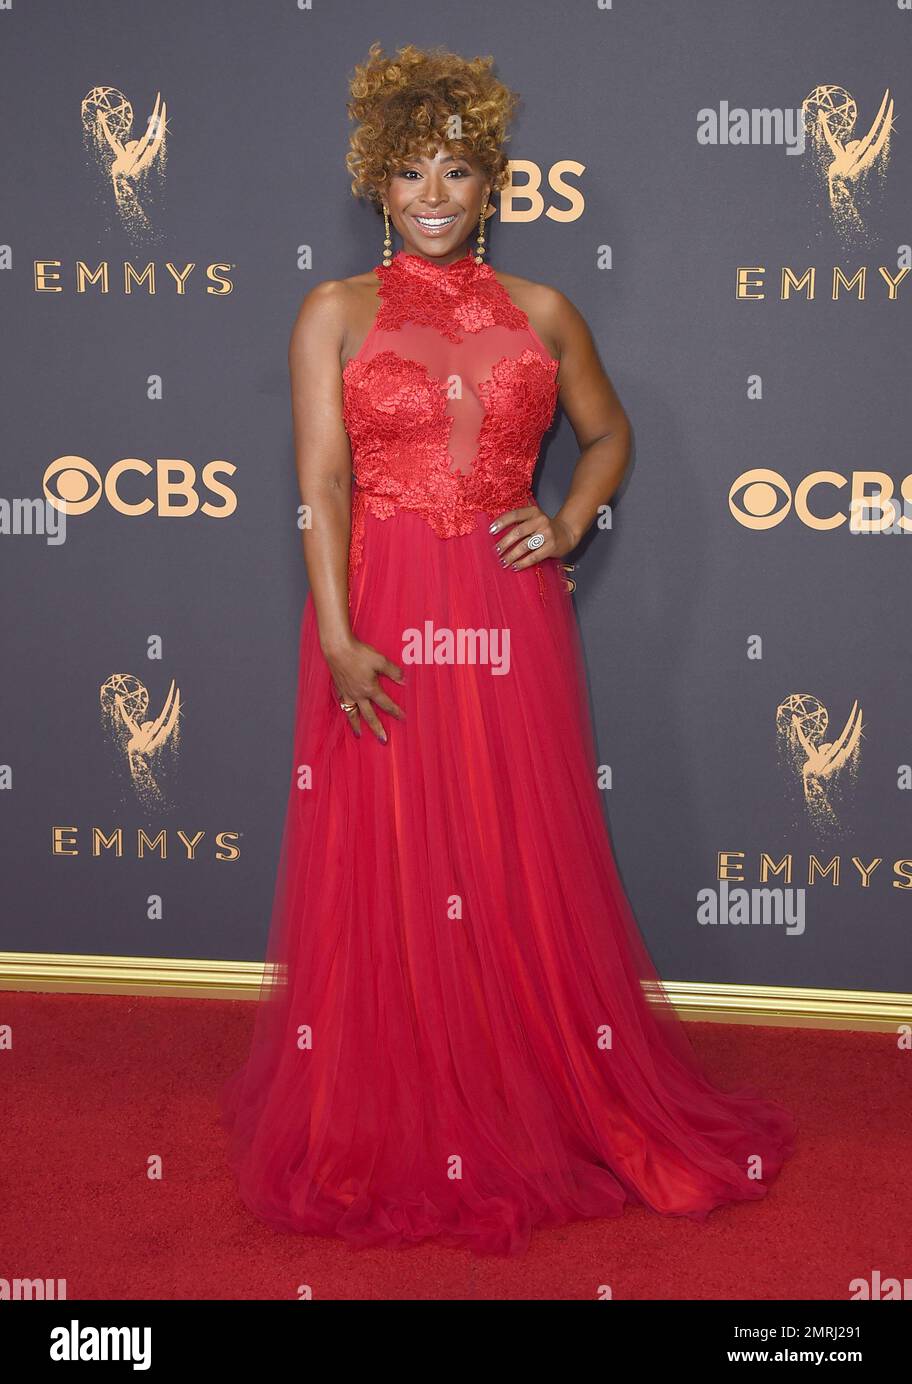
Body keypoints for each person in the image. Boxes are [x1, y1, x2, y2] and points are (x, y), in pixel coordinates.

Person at [220, 41, 795, 1257]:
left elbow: (608, 432)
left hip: (506, 610)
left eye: (461, 171)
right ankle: (396, 1105)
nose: (436, 193)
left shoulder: (542, 311)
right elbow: (322, 480)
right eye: (412, 170)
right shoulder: (333, 312)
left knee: (513, 847)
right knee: (389, 854)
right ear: (378, 182)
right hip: (381, 615)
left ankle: (532, 1092)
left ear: (494, 186)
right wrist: (334, 631)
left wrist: (572, 517)